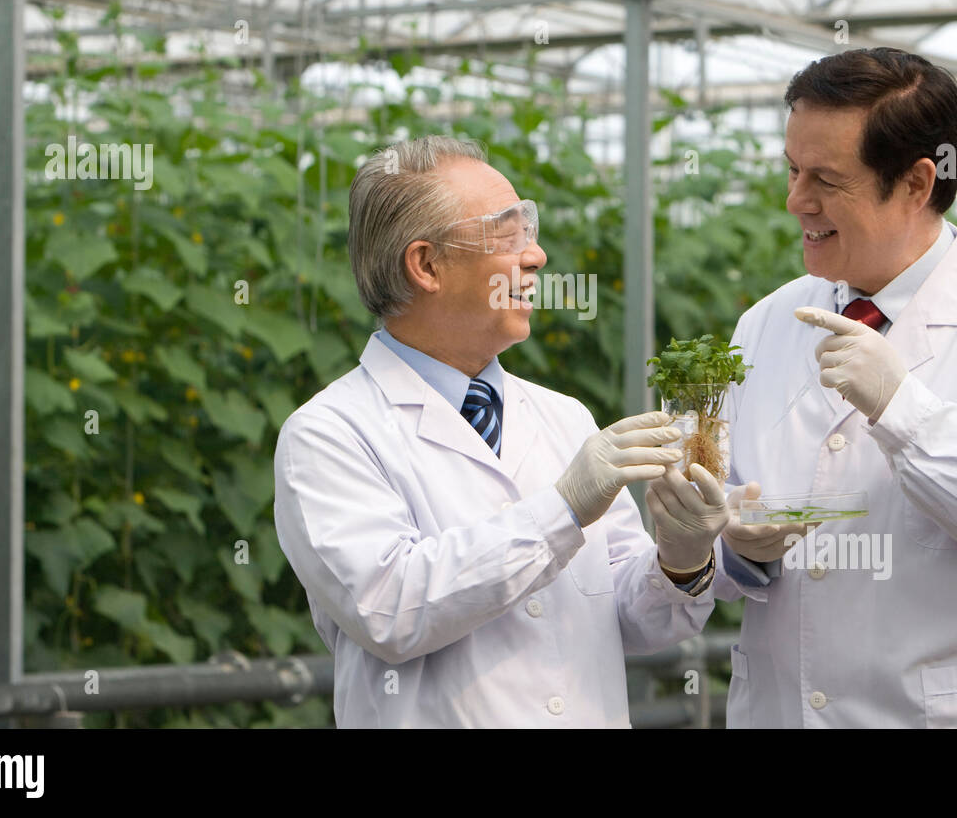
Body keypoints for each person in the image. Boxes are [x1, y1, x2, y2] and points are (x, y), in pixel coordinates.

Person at [710, 47, 957, 727]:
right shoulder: (764, 326)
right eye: (791, 169)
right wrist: (727, 545)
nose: (795, 201)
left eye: (826, 180)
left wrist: (906, 412)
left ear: (916, 184)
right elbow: (725, 527)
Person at [274, 136, 729, 727]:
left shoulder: (562, 417)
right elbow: (391, 610)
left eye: (530, 233)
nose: (536, 257)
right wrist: (563, 509)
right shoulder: (329, 435)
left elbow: (636, 621)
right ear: (427, 265)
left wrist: (682, 559)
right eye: (507, 236)